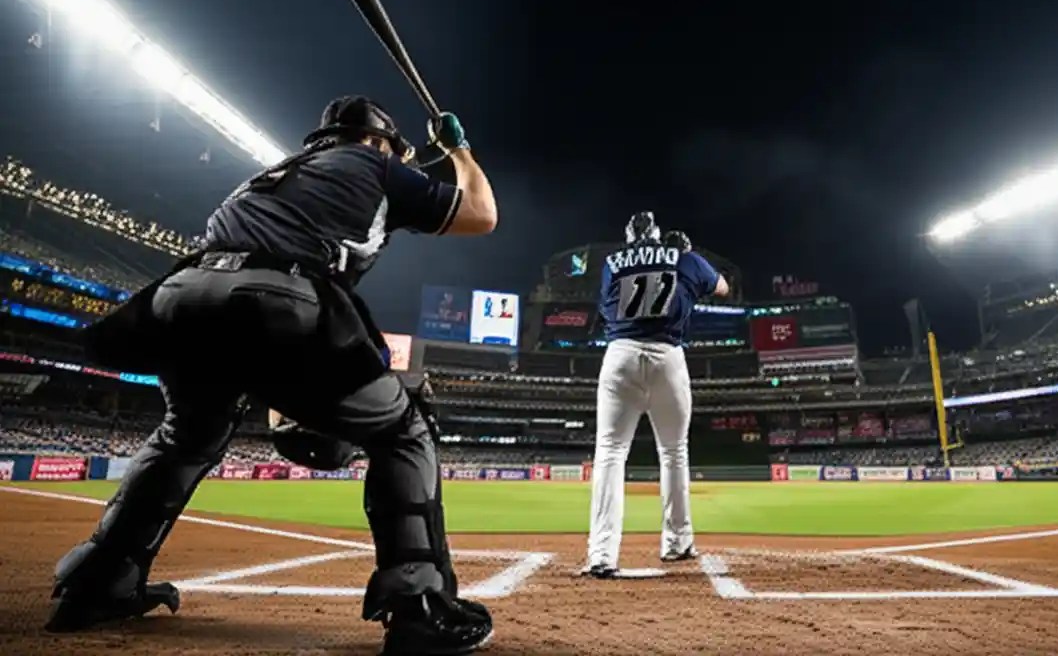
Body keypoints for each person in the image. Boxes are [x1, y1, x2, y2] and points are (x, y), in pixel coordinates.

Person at [46, 96, 500, 656]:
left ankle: (99, 582)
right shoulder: (377, 165)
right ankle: (419, 605)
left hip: (183, 294)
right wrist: (459, 149)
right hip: (276, 297)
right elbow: (481, 213)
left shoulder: (270, 174)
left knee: (187, 435)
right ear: (377, 142)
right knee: (403, 432)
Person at [584, 212, 729, 577]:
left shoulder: (613, 262)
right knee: (674, 452)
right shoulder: (683, 257)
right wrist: (688, 257)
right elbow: (723, 287)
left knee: (610, 455)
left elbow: (606, 304)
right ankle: (677, 542)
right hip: (668, 355)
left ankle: (602, 554)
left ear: (629, 236)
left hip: (620, 353)